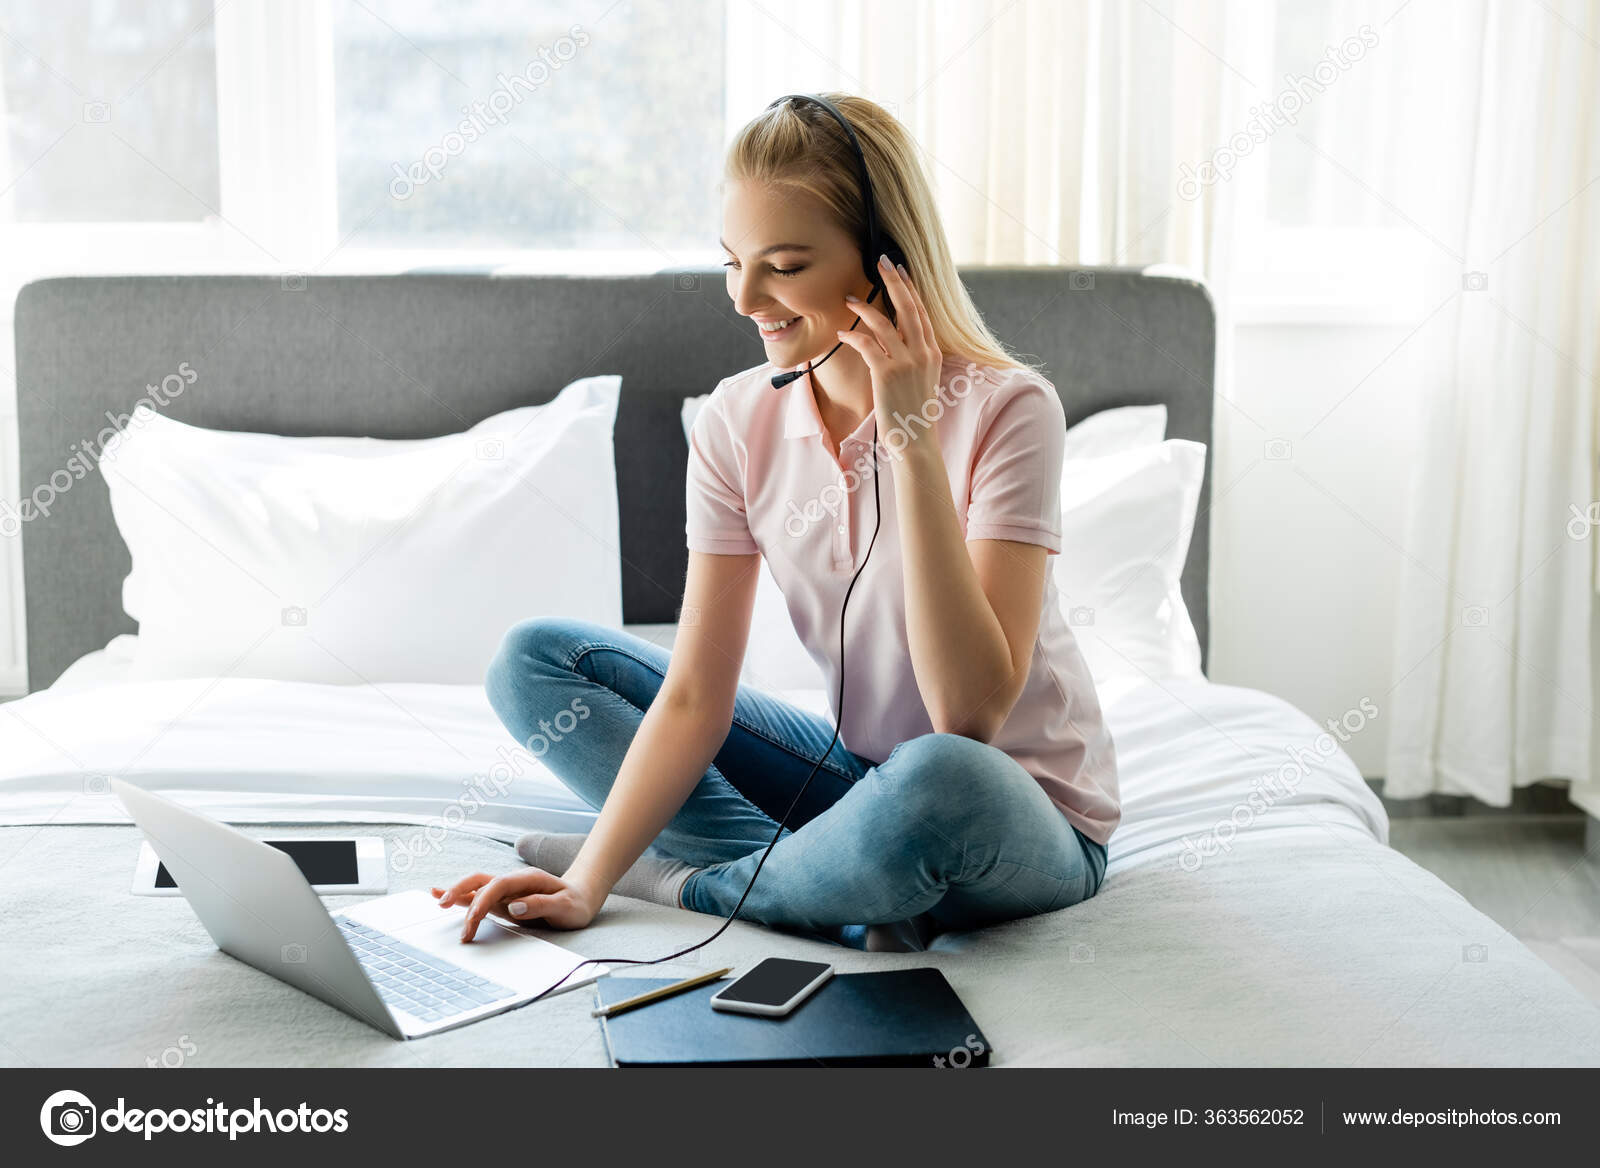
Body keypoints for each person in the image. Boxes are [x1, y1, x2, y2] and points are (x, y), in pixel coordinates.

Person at [436, 93, 1119, 952]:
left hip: (1010, 814)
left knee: (940, 777)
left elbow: (968, 716)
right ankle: (820, 877)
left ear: (885, 263)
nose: (745, 298)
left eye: (786, 266)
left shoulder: (1009, 409)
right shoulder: (735, 420)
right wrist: (587, 881)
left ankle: (696, 885)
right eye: (733, 262)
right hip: (859, 782)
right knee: (533, 659)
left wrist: (908, 436)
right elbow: (693, 697)